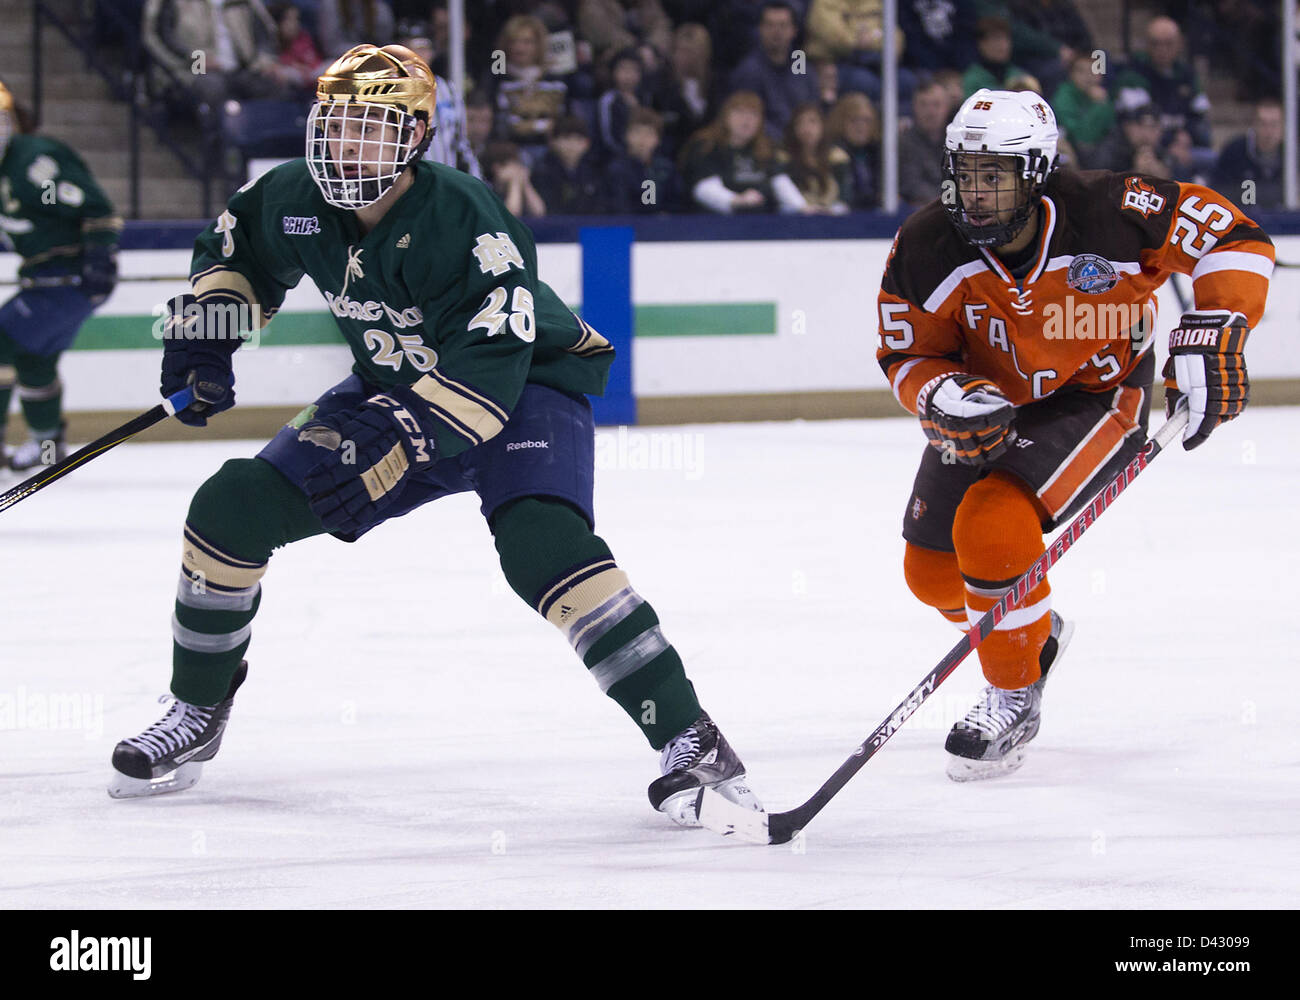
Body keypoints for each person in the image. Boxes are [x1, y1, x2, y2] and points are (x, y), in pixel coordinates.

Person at [107, 45, 763, 830]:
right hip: (395, 384)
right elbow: (238, 255)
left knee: (541, 544)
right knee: (230, 507)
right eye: (335, 126)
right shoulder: (293, 196)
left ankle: (687, 734)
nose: (346, 148)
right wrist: (208, 341)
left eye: (372, 130)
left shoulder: (467, 219)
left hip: (525, 386)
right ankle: (195, 708)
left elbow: (488, 373)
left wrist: (400, 441)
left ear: (415, 140)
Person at [876, 88, 1272, 781]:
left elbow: (1233, 234)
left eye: (994, 174)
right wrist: (940, 393)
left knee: (991, 526)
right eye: (966, 171)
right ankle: (1029, 632)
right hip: (989, 402)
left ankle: (1013, 691)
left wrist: (1217, 324)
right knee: (930, 575)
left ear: (1036, 171)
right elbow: (910, 351)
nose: (975, 191)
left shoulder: (1112, 209)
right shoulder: (927, 241)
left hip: (1093, 394)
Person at [0, 80, 121, 472]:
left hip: (69, 277)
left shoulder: (36, 161)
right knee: (35, 360)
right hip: (45, 279)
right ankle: (48, 445)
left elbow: (97, 206)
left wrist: (100, 257)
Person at [679, 90, 808, 213]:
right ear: (725, 116)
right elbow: (703, 188)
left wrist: (802, 207)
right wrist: (736, 200)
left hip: (761, 221)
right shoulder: (706, 146)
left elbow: (780, 182)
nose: (747, 120)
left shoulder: (767, 149)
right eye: (740, 112)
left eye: (753, 114)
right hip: (713, 223)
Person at [727, 2, 820, 142]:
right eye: (770, 25)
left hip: (802, 143)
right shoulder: (749, 70)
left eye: (783, 25)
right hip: (766, 146)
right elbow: (748, 119)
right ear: (760, 29)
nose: (776, 32)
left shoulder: (799, 62)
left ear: (794, 30)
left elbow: (812, 107)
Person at [1212, 98, 1284, 220]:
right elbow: (1219, 192)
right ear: (1254, 125)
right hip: (1243, 223)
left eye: (1274, 124)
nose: (1269, 131)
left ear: (1283, 127)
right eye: (1263, 124)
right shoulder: (1234, 153)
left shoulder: (1293, 156)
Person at [604, 107, 683, 212]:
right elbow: (619, 206)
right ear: (626, 136)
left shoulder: (666, 169)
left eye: (649, 134)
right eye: (637, 132)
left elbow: (677, 203)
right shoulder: (617, 170)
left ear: (658, 140)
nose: (642, 139)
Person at [781, 103, 851, 213]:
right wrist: (802, 207)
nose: (806, 128)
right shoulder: (784, 157)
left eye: (812, 122)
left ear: (823, 126)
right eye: (800, 123)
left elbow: (845, 196)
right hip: (796, 215)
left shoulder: (837, 157)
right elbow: (780, 186)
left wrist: (830, 209)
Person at [530, 115, 607, 214]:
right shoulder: (542, 172)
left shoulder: (594, 172)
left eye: (578, 139)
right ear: (553, 141)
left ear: (587, 143)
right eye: (566, 138)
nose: (572, 144)